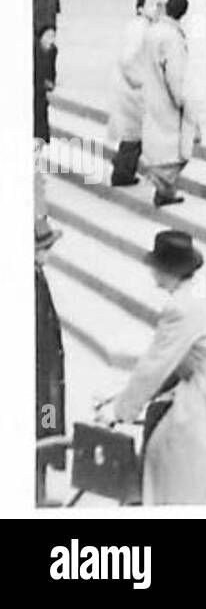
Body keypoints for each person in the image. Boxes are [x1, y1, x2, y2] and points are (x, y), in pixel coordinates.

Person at [108, 230, 206, 506]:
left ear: (167, 270)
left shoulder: (182, 307)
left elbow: (155, 364)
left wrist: (123, 409)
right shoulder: (200, 285)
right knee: (185, 446)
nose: (151, 272)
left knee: (166, 449)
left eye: (155, 266)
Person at [140, 0, 199, 208]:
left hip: (151, 93)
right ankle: (165, 189)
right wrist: (181, 99)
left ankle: (164, 188)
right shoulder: (172, 37)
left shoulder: (152, 31)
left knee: (159, 144)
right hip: (166, 97)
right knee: (176, 148)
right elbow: (174, 73)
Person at [108, 0, 159, 187]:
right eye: (150, 5)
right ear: (140, 9)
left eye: (156, 4)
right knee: (133, 135)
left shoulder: (142, 27)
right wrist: (137, 81)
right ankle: (122, 173)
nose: (155, 8)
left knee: (134, 135)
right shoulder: (140, 29)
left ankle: (123, 170)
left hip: (132, 89)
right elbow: (127, 59)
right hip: (132, 90)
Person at [35, 215, 66, 504]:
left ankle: (40, 492)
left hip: (48, 380)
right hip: (40, 382)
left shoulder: (38, 275)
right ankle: (36, 495)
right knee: (41, 432)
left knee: (47, 427)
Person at [33, 23, 57, 145]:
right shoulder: (35, 50)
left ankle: (42, 137)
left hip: (41, 90)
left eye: (53, 36)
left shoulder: (52, 51)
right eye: (48, 36)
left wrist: (50, 82)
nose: (51, 40)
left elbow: (52, 70)